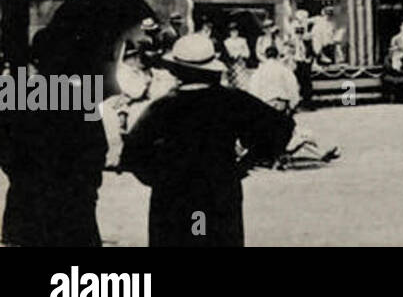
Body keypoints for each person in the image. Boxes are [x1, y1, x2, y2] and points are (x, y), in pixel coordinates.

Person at [120, 33, 293, 246]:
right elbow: (280, 126)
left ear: (177, 71)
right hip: (219, 191)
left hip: (175, 197)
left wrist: (159, 178)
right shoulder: (231, 100)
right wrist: (247, 162)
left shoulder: (163, 107)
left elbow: (133, 153)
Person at [0, 28, 108, 247]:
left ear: (36, 60)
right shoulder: (81, 97)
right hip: (73, 201)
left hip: (26, 200)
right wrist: (85, 185)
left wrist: (22, 177)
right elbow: (97, 148)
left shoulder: (15, 96)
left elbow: (4, 148)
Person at [248, 46, 340, 166]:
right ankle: (316, 153)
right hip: (281, 105)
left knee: (271, 132)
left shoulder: (259, 72)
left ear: (265, 56)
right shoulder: (283, 70)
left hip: (265, 106)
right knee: (291, 132)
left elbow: (253, 92)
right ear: (277, 56)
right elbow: (293, 89)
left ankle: (279, 156)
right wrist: (291, 106)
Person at [223, 22, 251, 89]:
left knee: (242, 83)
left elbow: (247, 53)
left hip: (241, 64)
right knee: (232, 83)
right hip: (232, 64)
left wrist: (241, 54)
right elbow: (228, 53)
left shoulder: (242, 40)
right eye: (232, 31)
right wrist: (233, 54)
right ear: (229, 32)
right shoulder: (227, 42)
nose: (234, 33)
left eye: (235, 31)